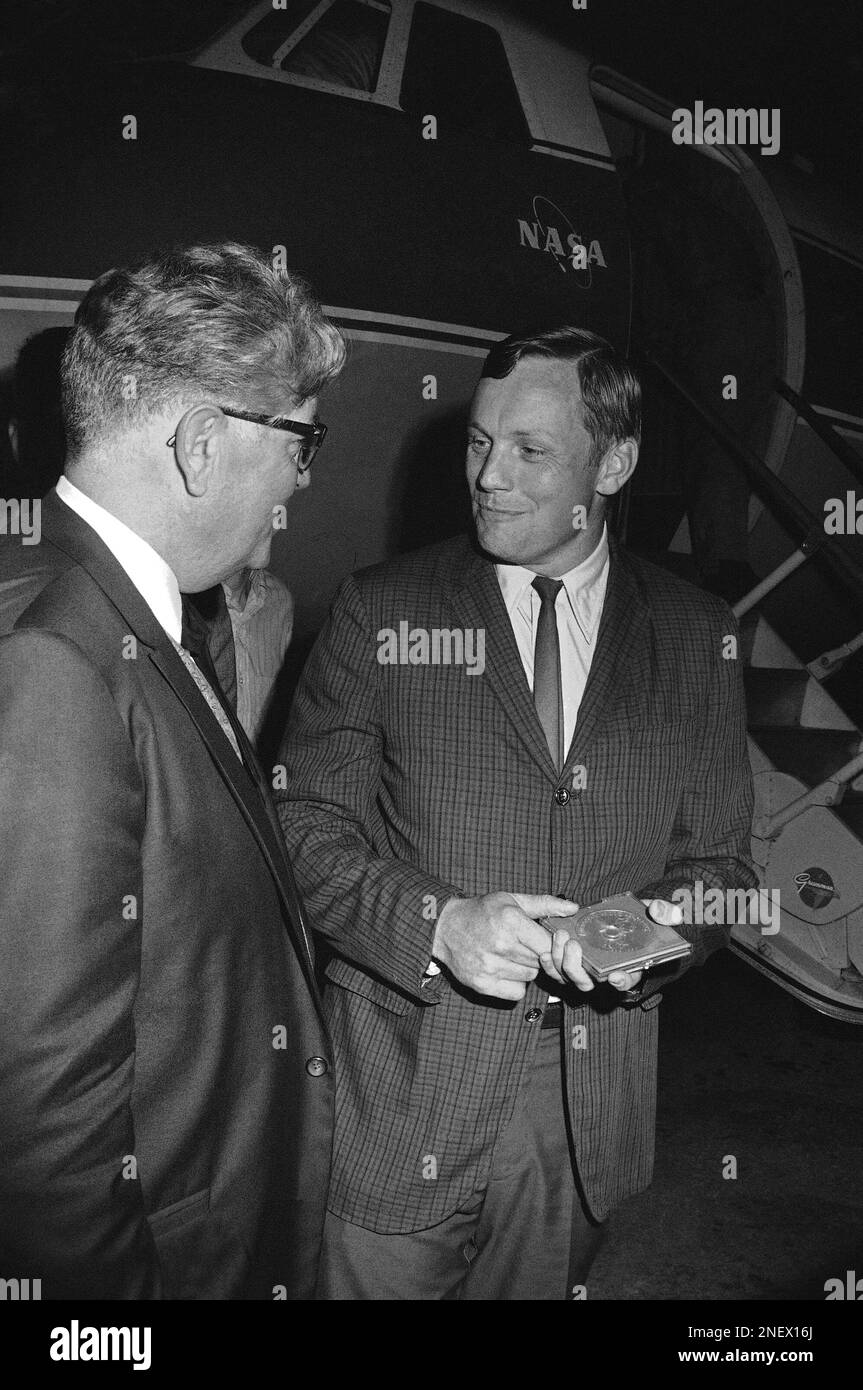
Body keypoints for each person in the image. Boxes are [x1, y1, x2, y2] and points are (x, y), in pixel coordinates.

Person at [277, 325, 757, 1300]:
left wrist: (630, 931)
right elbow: (300, 828)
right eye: (478, 441)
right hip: (401, 1089)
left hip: (579, 1114)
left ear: (612, 463)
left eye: (530, 450)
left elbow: (727, 874)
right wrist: (438, 924)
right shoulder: (379, 609)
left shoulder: (694, 633)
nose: (488, 476)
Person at [0, 242, 344, 1299]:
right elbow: (44, 1110)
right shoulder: (54, 661)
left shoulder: (124, 609)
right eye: (300, 439)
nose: (298, 475)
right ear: (201, 445)